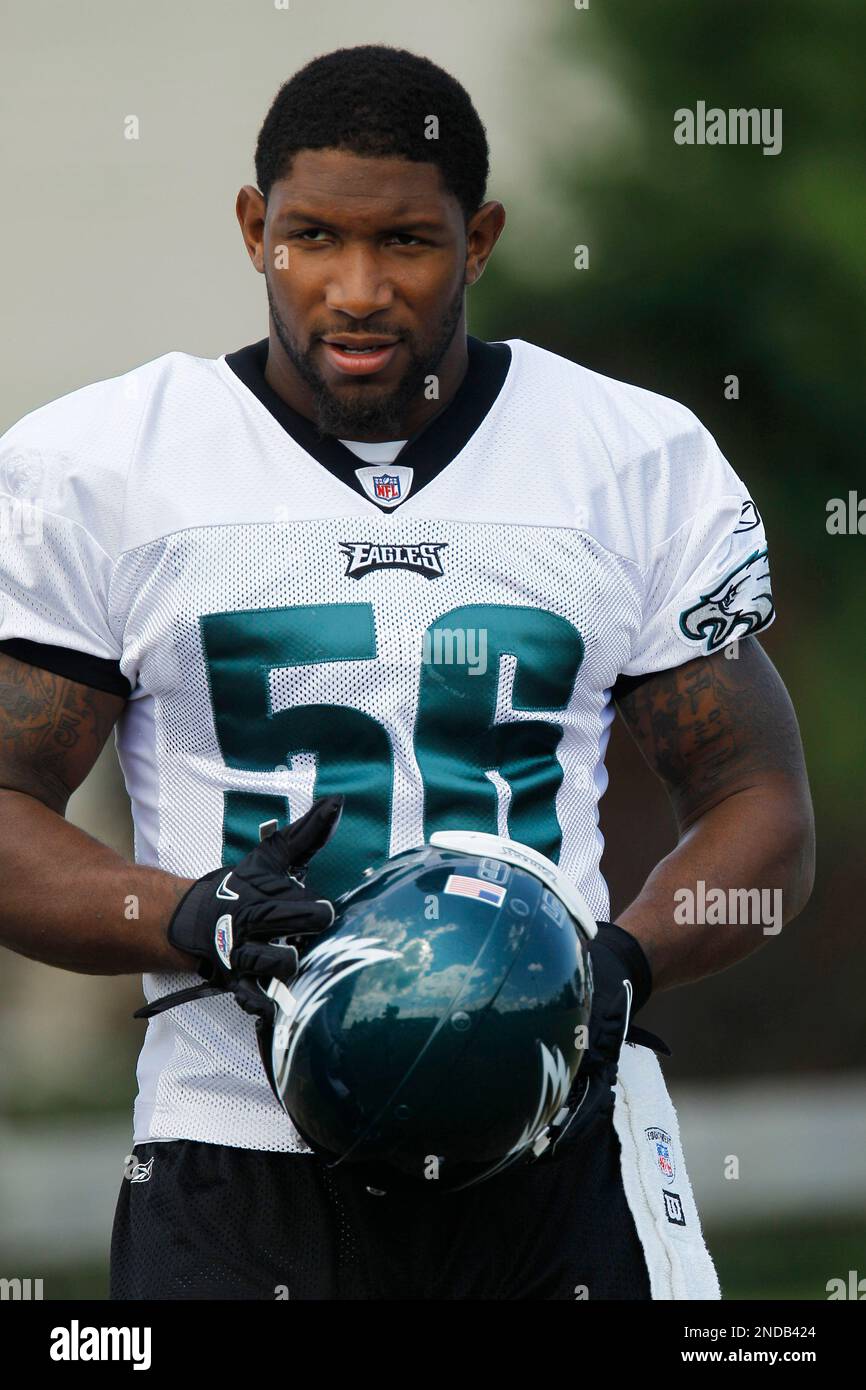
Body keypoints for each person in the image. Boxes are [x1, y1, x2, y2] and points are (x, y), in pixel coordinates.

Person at [0, 44, 814, 1300]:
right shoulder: (107, 465)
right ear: (253, 229)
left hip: (549, 1141)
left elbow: (763, 809)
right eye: (313, 238)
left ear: (477, 238)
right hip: (237, 1145)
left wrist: (619, 964)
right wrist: (185, 915)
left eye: (408, 244)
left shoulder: (625, 455)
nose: (358, 289)